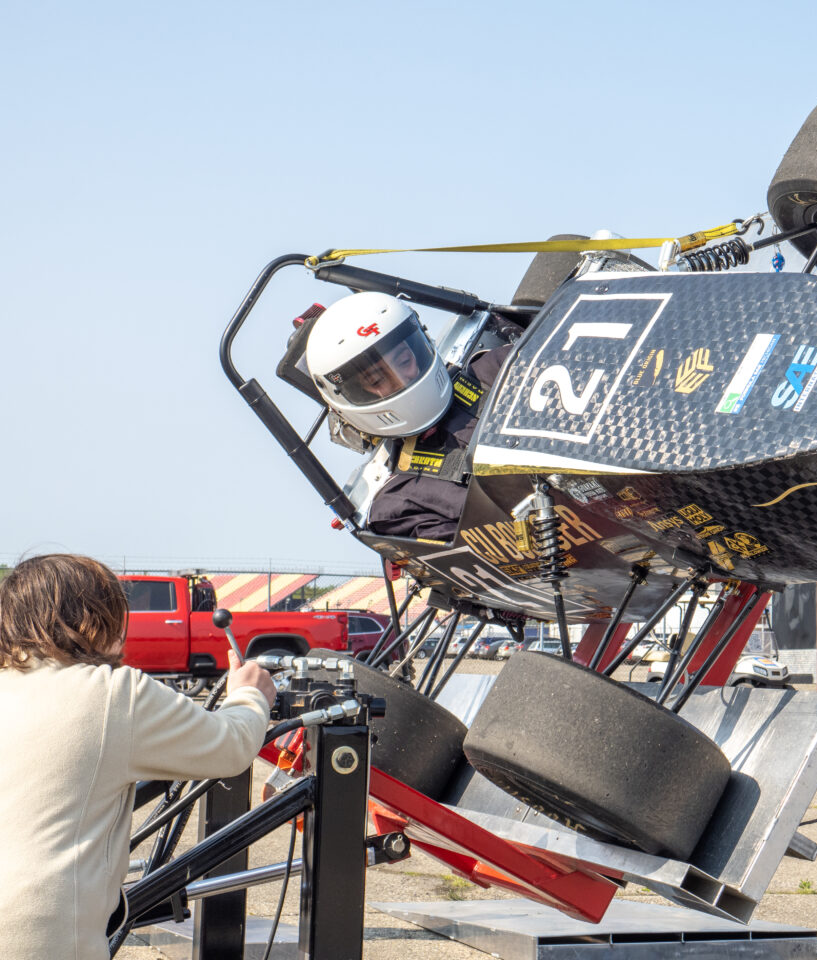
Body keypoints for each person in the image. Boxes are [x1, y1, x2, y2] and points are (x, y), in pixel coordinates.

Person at [0, 554, 277, 960]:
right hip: (43, 938)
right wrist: (250, 693)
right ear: (95, 619)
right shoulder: (112, 693)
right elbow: (230, 746)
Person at [305, 291, 512, 542]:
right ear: (352, 397)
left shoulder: (496, 369)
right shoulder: (396, 505)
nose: (405, 378)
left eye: (403, 360)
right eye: (378, 379)